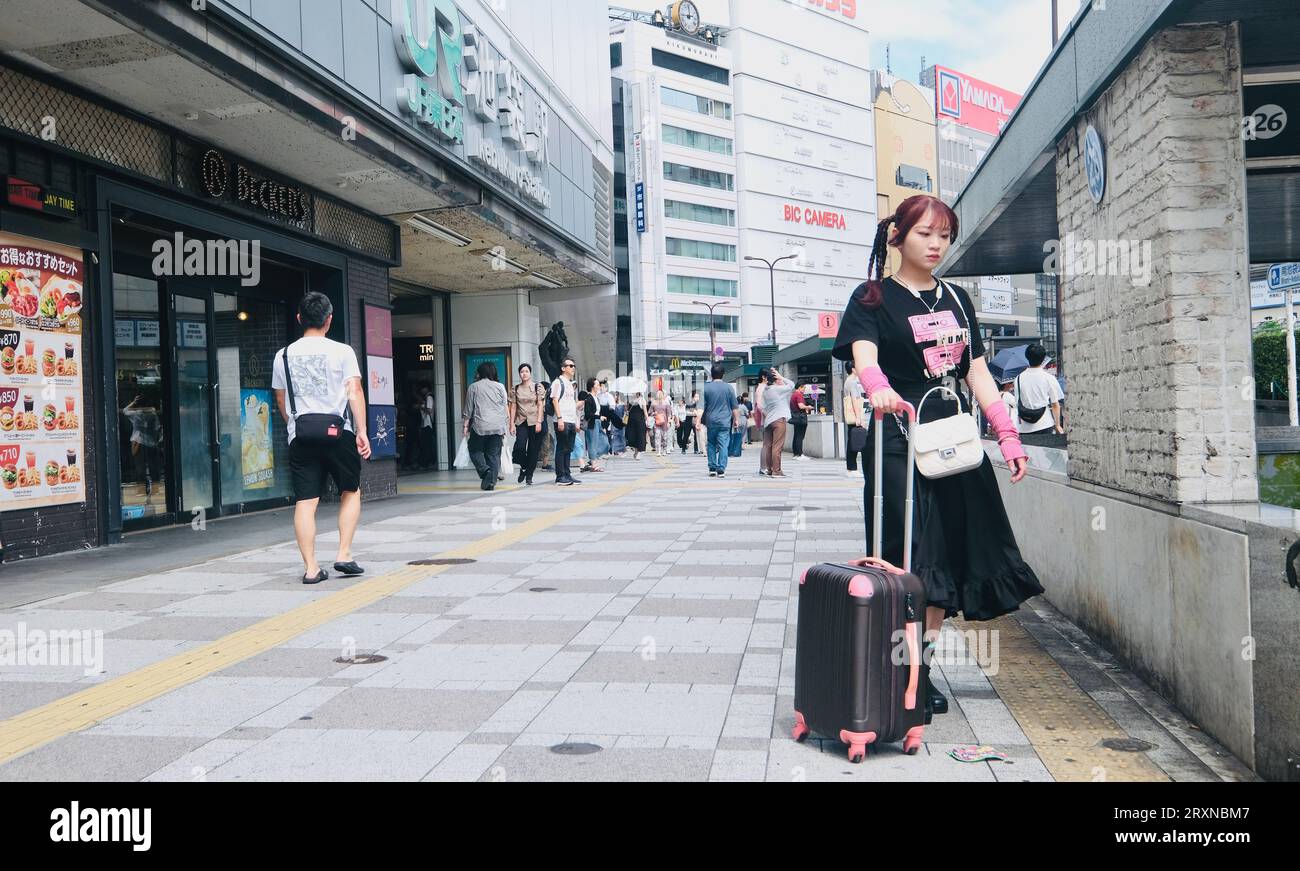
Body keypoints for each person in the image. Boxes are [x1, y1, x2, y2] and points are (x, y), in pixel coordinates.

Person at [832, 192, 1045, 722]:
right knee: (908, 559)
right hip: (898, 438)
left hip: (952, 438)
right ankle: (895, 671)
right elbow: (864, 358)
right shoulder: (873, 298)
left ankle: (919, 672)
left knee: (943, 562)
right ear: (897, 237)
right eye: (925, 233)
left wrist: (1008, 435)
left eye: (944, 236)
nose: (936, 244)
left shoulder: (955, 298)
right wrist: (879, 389)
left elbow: (976, 372)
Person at [272, 291, 372, 585]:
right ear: (329, 319)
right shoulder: (342, 351)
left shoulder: (284, 355)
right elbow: (354, 391)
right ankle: (343, 554)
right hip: (339, 432)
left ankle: (312, 568)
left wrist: (293, 425)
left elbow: (280, 399)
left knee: (306, 501)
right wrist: (362, 431)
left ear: (299, 318)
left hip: (301, 435)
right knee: (350, 490)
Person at [462, 361, 508, 491]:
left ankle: (485, 471)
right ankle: (490, 482)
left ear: (480, 373)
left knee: (474, 449)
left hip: (480, 425)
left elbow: (468, 409)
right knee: (493, 455)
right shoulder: (500, 386)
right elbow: (504, 406)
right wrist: (505, 425)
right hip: (497, 426)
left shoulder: (474, 387)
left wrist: (465, 426)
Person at [1015, 344, 1066, 447]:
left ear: (1027, 357)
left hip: (1024, 427)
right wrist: (1057, 425)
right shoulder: (1049, 378)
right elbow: (1055, 404)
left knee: (1029, 457)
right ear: (1043, 358)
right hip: (1044, 423)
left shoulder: (1018, 379)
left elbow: (1018, 402)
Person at [509, 363, 547, 485]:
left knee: (533, 450)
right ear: (519, 374)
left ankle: (529, 475)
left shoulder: (538, 387)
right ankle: (524, 466)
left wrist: (539, 421)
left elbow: (540, 405)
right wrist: (511, 424)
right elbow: (513, 407)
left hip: (535, 421)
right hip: (521, 421)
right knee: (519, 447)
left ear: (530, 373)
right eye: (521, 371)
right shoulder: (515, 388)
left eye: (526, 371)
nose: (524, 373)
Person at [700, 363, 740, 478]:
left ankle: (712, 467)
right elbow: (734, 407)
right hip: (725, 422)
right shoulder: (728, 388)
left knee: (711, 443)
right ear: (723, 374)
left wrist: (698, 420)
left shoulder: (706, 387)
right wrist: (736, 419)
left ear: (711, 375)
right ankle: (721, 469)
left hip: (711, 421)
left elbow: (701, 407)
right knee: (723, 445)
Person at [550, 358, 581, 485]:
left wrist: (576, 420)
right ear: (563, 368)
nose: (573, 368)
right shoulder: (558, 382)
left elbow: (571, 404)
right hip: (562, 420)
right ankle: (560, 476)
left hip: (571, 420)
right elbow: (554, 400)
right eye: (570, 366)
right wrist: (559, 418)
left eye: (574, 366)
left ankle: (567, 475)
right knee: (561, 447)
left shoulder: (569, 383)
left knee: (568, 448)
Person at [760, 368, 794, 477]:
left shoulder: (766, 391)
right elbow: (792, 385)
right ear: (775, 378)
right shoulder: (777, 390)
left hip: (768, 421)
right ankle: (776, 470)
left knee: (769, 446)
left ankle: (769, 469)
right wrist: (781, 376)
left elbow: (763, 407)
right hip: (779, 420)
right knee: (777, 446)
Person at [843, 363, 868, 478]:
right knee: (855, 441)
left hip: (852, 415)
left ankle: (850, 468)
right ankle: (852, 468)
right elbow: (855, 400)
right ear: (853, 369)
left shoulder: (848, 381)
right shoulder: (852, 382)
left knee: (852, 441)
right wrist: (859, 417)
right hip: (855, 416)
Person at [579, 377, 605, 473]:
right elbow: (588, 413)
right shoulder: (589, 398)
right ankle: (594, 464)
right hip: (592, 424)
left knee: (604, 442)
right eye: (597, 384)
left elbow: (597, 411)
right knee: (592, 444)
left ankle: (593, 459)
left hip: (598, 423)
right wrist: (599, 417)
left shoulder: (596, 398)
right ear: (592, 386)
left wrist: (600, 417)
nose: (599, 386)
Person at [790, 384, 812, 460]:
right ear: (800, 387)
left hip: (795, 417)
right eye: (804, 388)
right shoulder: (798, 395)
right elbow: (801, 406)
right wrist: (808, 407)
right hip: (801, 418)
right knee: (800, 436)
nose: (804, 389)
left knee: (796, 435)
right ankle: (800, 454)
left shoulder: (793, 395)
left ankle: (795, 454)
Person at [417, 382, 435, 470]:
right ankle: (429, 462)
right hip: (426, 424)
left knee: (426, 444)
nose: (422, 390)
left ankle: (426, 463)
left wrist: (420, 407)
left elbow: (429, 410)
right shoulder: (427, 398)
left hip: (428, 424)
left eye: (423, 388)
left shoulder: (429, 398)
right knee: (427, 444)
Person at [650, 389, 673, 456]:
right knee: (657, 436)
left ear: (663, 395)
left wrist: (669, 422)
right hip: (657, 422)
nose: (659, 395)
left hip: (665, 422)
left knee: (664, 437)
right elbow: (649, 412)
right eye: (658, 394)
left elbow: (669, 413)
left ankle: (664, 450)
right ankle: (658, 451)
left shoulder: (666, 403)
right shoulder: (653, 403)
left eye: (660, 394)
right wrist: (654, 413)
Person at [626, 392, 647, 459]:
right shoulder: (630, 399)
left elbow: (645, 411)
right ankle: (635, 449)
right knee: (630, 436)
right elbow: (626, 409)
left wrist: (647, 419)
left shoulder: (642, 400)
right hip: (631, 421)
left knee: (640, 436)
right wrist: (626, 404)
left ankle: (638, 452)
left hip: (640, 421)